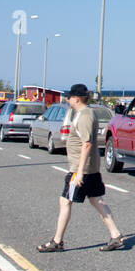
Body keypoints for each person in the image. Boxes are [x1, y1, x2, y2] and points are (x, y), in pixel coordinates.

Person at [37, 83, 124, 252]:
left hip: (81, 169)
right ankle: (115, 235)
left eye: (69, 97)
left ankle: (57, 241)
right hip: (87, 168)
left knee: (65, 201)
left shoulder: (85, 115)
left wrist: (79, 173)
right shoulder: (82, 113)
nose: (67, 99)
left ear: (76, 99)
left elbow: (87, 144)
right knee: (96, 199)